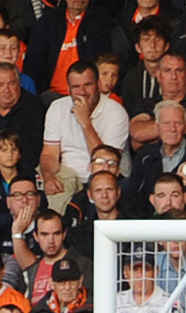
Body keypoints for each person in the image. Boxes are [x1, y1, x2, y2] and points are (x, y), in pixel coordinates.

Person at [39, 60, 129, 212]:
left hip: (102, 176)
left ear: (98, 85)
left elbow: (105, 160)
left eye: (87, 85)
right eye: (76, 87)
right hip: (66, 174)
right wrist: (48, 177)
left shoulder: (116, 112)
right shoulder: (57, 107)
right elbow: (49, 154)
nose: (82, 92)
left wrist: (85, 122)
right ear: (68, 89)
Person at [23, 0, 112, 94]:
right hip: (52, 93)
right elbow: (34, 61)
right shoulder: (49, 21)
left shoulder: (100, 19)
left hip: (89, 94)